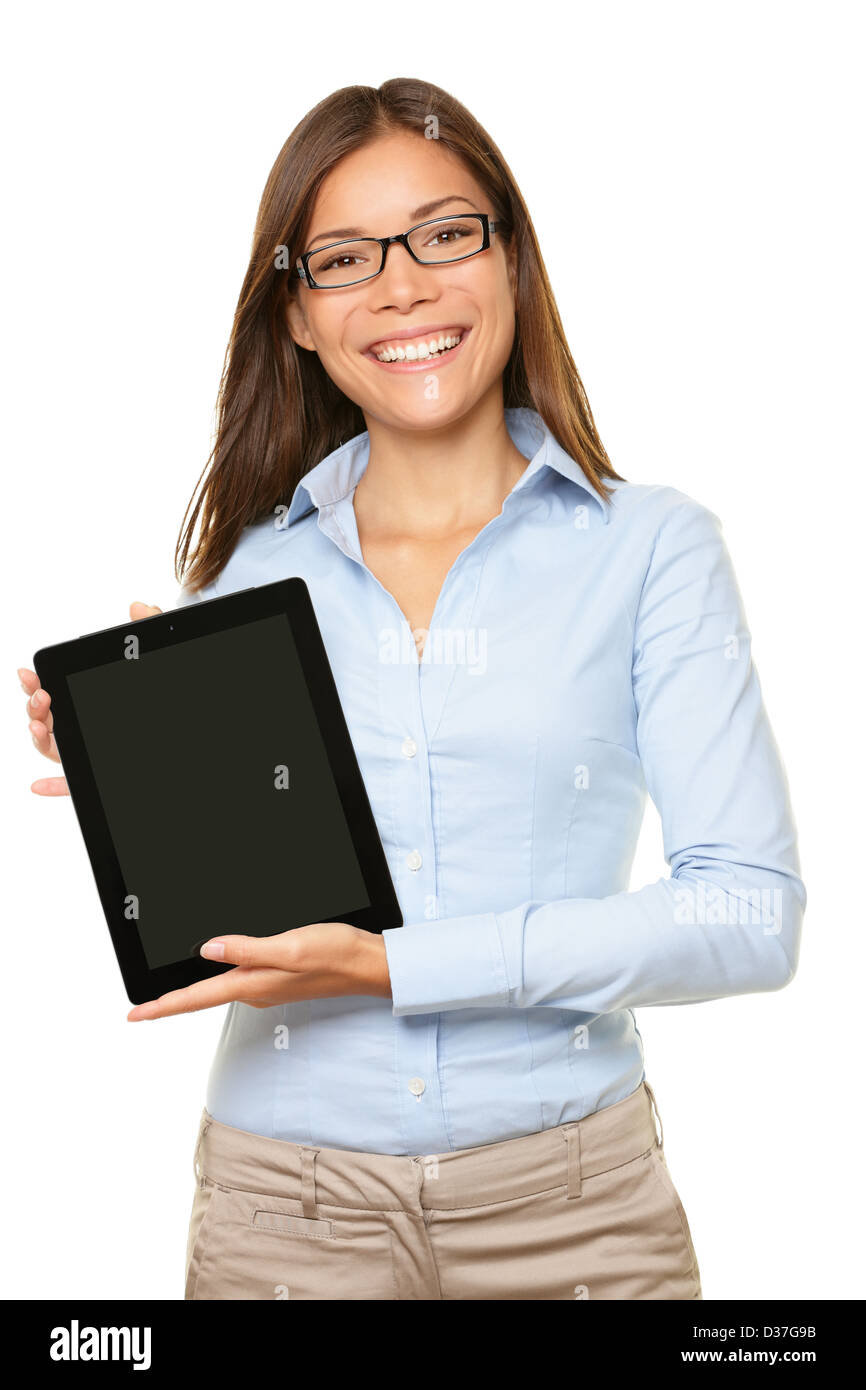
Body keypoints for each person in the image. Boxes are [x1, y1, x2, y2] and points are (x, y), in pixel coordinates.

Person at [19, 77, 805, 1301]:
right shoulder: (244, 572)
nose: (401, 286)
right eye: (344, 257)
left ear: (510, 259)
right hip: (286, 1214)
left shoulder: (650, 548)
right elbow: (244, 913)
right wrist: (154, 794)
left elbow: (745, 917)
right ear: (297, 316)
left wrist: (399, 963)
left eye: (444, 234)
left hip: (574, 1214)